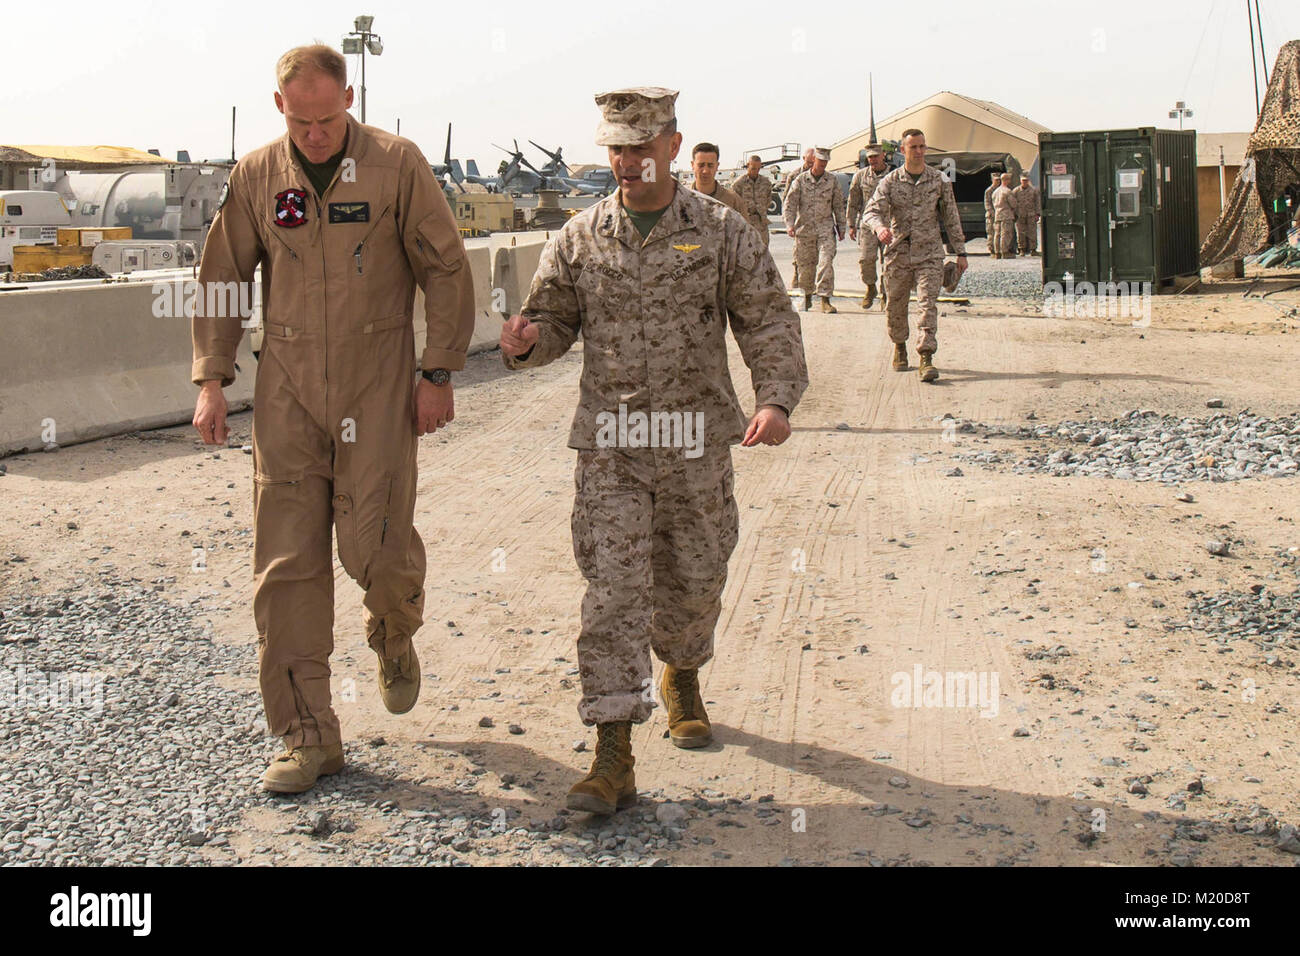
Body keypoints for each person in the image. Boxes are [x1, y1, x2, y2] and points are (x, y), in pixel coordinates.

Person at [498, 87, 807, 816]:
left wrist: (775, 398)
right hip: (614, 446)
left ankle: (684, 671)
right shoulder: (579, 236)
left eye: (641, 146)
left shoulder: (724, 231)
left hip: (696, 443)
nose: (628, 161)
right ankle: (612, 751)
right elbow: (552, 321)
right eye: (616, 148)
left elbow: (765, 318)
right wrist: (527, 343)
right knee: (613, 593)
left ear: (673, 145)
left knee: (696, 579)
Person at [190, 44, 475, 793]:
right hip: (285, 388)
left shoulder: (396, 164)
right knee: (286, 564)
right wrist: (213, 379)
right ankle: (306, 735)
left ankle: (392, 631)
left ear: (350, 97)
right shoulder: (255, 175)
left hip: (376, 381)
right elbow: (222, 275)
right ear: (279, 106)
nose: (316, 133)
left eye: (329, 117)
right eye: (302, 120)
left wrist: (437, 371)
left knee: (375, 542)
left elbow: (445, 267)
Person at [864, 128, 967, 382]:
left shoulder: (939, 180)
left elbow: (951, 218)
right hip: (898, 253)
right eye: (913, 147)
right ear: (903, 150)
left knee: (927, 304)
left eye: (922, 146)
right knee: (895, 305)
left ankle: (926, 356)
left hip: (930, 254)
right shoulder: (890, 181)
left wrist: (961, 252)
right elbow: (871, 212)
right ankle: (899, 346)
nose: (919, 151)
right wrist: (880, 228)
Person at [784, 147, 845, 313]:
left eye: (826, 162)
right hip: (804, 229)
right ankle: (807, 297)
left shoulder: (831, 181)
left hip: (825, 228)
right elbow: (789, 204)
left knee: (826, 262)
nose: (823, 164)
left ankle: (825, 299)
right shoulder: (801, 180)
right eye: (821, 161)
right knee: (805, 267)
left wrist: (842, 227)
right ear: (814, 161)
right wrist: (789, 224)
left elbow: (838, 206)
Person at [847, 144, 889, 309]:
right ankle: (870, 287)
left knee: (889, 262)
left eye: (875, 156)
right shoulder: (861, 176)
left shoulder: (892, 176)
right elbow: (853, 202)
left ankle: (886, 294)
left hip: (887, 225)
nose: (872, 160)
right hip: (867, 226)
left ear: (883, 156)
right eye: (870, 157)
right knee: (866, 260)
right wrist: (851, 225)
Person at [687, 142, 753, 223]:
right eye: (701, 165)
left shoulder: (733, 202)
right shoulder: (681, 200)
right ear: (692, 165)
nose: (705, 171)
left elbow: (747, 233)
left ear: (717, 166)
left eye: (710, 165)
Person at [783, 148, 815, 290]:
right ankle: (797, 276)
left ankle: (810, 281)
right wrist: (789, 220)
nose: (810, 165)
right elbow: (787, 198)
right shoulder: (795, 175)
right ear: (803, 159)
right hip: (798, 219)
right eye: (808, 162)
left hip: (814, 218)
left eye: (812, 162)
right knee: (799, 251)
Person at [732, 154, 775, 248]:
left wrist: (760, 209)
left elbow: (768, 199)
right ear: (748, 165)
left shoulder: (765, 182)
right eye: (753, 168)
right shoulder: (739, 184)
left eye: (758, 168)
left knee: (763, 253)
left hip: (761, 224)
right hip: (746, 224)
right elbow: (734, 204)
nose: (756, 171)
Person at [993, 171, 1019, 260]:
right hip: (1006, 215)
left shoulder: (995, 191)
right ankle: (1005, 252)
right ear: (1006, 180)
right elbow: (1013, 204)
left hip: (997, 214)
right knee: (1006, 234)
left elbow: (993, 202)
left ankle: (997, 252)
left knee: (997, 234)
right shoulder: (1007, 191)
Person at [1013, 172, 1041, 255]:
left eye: (1026, 180)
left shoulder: (1034, 190)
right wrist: (1014, 214)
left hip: (1031, 215)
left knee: (1032, 232)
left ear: (1028, 180)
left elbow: (1037, 202)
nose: (1024, 182)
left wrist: (1038, 214)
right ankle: (1022, 249)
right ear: (1020, 181)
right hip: (1020, 215)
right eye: (1023, 180)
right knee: (1020, 232)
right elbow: (1013, 203)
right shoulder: (1016, 191)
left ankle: (1033, 249)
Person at [983, 172, 1001, 259]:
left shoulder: (1001, 189)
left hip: (1000, 214)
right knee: (991, 233)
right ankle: (992, 250)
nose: (997, 181)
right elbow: (987, 203)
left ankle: (1000, 250)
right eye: (996, 180)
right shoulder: (989, 191)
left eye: (999, 180)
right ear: (992, 180)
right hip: (991, 215)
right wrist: (992, 212)